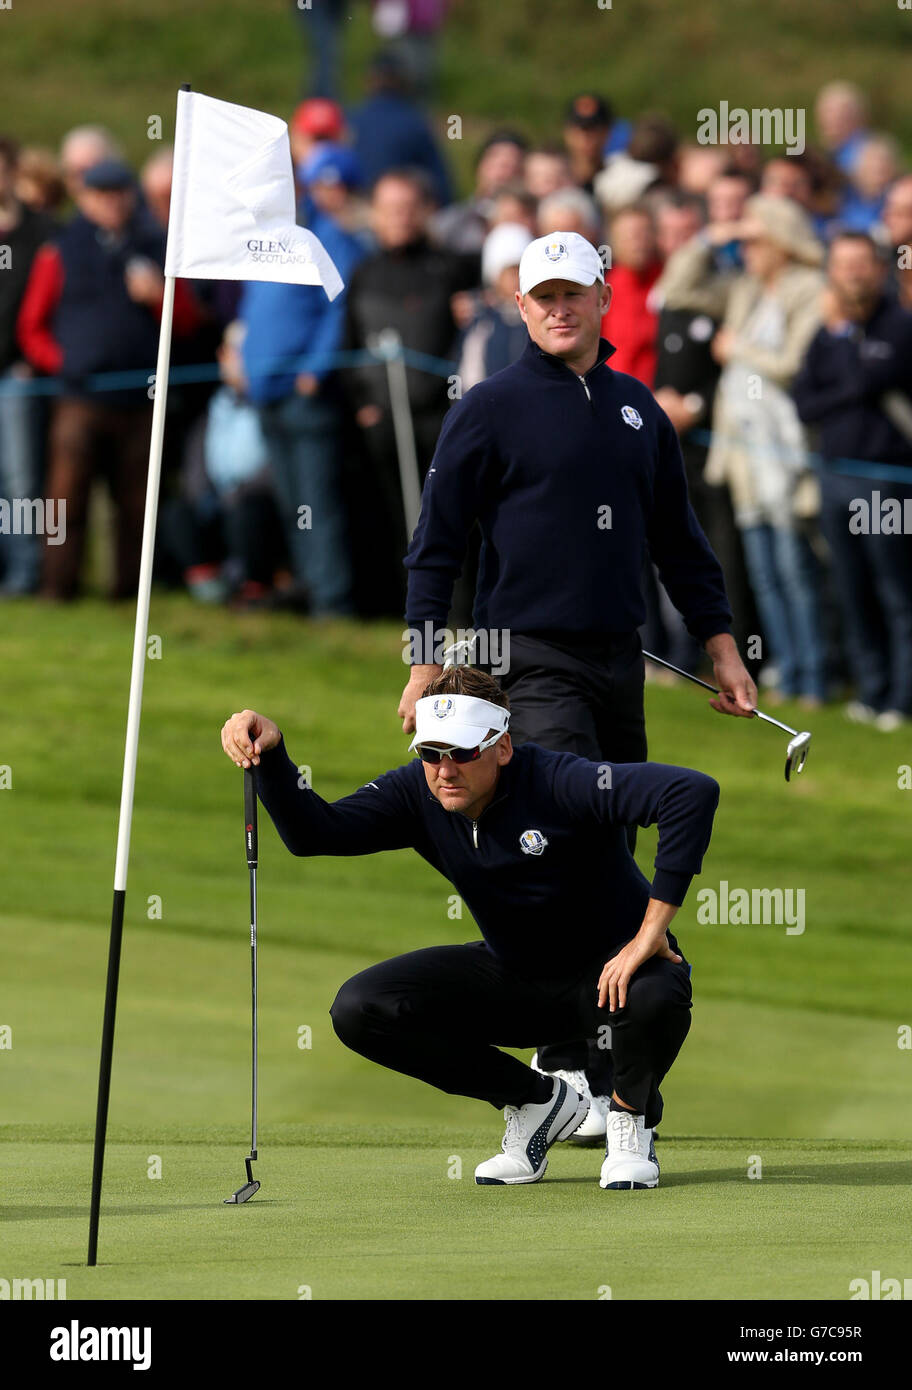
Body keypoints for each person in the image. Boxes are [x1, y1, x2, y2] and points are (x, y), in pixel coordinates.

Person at [397, 229, 756, 1137]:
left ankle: (588, 1049)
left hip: (616, 658)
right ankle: (580, 1060)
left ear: (604, 300)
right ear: (520, 307)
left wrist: (720, 643)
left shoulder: (639, 410)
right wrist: (422, 658)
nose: (558, 309)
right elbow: (436, 546)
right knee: (566, 820)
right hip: (527, 659)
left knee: (603, 844)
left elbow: (680, 540)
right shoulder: (489, 407)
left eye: (573, 294)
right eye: (540, 296)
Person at [221, 665, 720, 1188]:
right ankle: (536, 1102)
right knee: (360, 1008)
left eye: (462, 752)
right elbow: (313, 833)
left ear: (502, 747)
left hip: (613, 985)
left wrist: (650, 932)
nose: (445, 769)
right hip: (518, 982)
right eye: (431, 753)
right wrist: (272, 756)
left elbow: (689, 792)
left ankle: (628, 1121)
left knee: (659, 991)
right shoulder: (419, 792)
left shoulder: (558, 780)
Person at [16, 158, 200, 599]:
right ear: (84, 199)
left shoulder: (156, 245)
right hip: (79, 398)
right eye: (102, 194)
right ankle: (57, 587)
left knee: (136, 504)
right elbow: (32, 325)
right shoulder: (60, 247)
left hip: (140, 398)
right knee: (65, 499)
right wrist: (62, 363)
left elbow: (190, 322)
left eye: (119, 193)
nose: (112, 202)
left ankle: (129, 591)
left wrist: (159, 297)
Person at [704, 195, 827, 704]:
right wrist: (709, 237)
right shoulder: (747, 288)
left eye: (754, 239)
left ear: (781, 240)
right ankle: (790, 673)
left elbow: (793, 364)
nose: (746, 248)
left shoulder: (811, 289)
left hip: (787, 453)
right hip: (744, 453)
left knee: (796, 568)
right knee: (764, 572)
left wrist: (738, 350)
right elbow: (682, 287)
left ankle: (816, 678)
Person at [240, 144, 368, 617]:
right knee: (296, 505)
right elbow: (253, 309)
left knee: (318, 505)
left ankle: (333, 604)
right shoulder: (263, 239)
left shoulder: (328, 236)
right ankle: (313, 592)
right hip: (266, 390)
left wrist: (315, 370)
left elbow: (339, 310)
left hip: (304, 394)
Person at [792, 232, 912, 730]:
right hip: (835, 477)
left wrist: (845, 379)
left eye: (861, 264)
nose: (853, 274)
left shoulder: (900, 326)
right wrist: (848, 370)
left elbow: (871, 381)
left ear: (880, 269)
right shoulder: (827, 333)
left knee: (896, 591)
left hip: (886, 483)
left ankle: (902, 699)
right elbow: (804, 401)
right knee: (850, 587)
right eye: (842, 265)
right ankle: (871, 689)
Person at [0, 136, 54, 596]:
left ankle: (25, 573)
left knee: (21, 479)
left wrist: (32, 360)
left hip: (19, 377)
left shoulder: (42, 232)